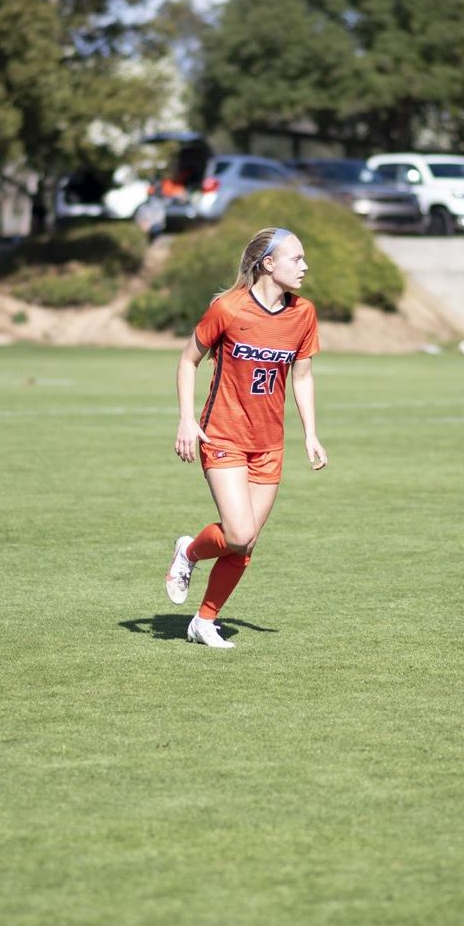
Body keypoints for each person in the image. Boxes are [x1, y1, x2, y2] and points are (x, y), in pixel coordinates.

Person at [164, 227, 327, 649]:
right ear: (268, 264)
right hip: (223, 434)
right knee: (237, 533)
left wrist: (311, 433)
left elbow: (303, 376)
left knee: (247, 542)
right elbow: (188, 361)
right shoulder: (228, 308)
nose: (305, 266)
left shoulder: (303, 313)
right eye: (297, 259)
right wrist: (186, 418)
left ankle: (204, 621)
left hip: (269, 443)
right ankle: (189, 552)